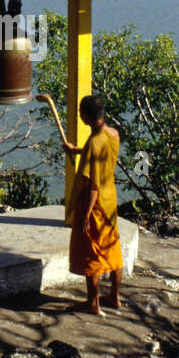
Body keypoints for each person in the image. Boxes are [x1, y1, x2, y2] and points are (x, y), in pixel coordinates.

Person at [63, 94, 123, 315]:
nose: (79, 115)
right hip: (111, 202)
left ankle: (93, 303)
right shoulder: (113, 134)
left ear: (85, 115)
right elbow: (98, 157)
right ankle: (115, 297)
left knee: (91, 252)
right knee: (112, 249)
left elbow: (93, 187)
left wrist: (85, 216)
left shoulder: (94, 142)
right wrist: (75, 150)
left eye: (80, 112)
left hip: (95, 204)